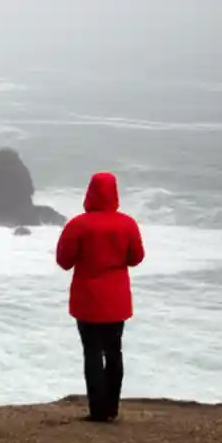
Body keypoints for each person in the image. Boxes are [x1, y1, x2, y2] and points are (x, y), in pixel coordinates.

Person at [55, 172, 145, 422]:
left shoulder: (78, 225)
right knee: (114, 352)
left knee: (92, 352)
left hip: (87, 300)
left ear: (90, 192)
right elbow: (136, 258)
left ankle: (97, 410)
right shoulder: (127, 224)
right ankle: (112, 409)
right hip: (116, 300)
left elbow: (64, 261)